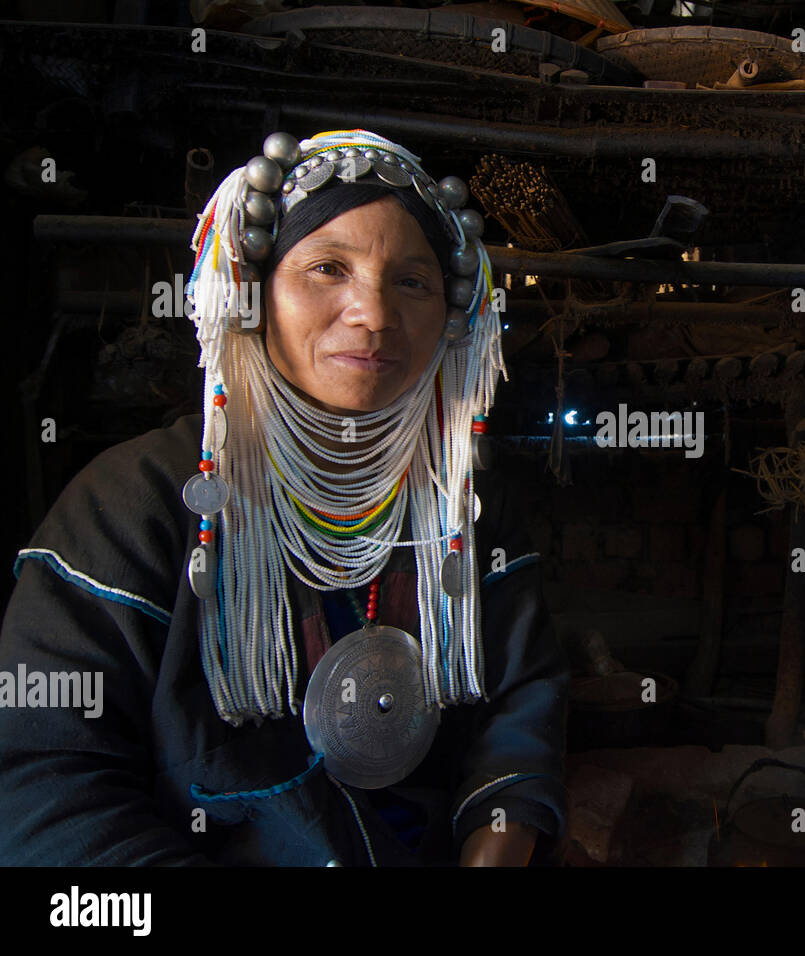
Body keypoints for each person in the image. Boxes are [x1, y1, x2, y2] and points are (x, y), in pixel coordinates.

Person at [0, 129, 569, 866]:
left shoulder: (463, 503)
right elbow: (46, 794)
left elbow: (521, 703)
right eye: (328, 268)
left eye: (413, 281)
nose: (372, 313)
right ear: (252, 293)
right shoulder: (129, 506)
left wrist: (498, 842)